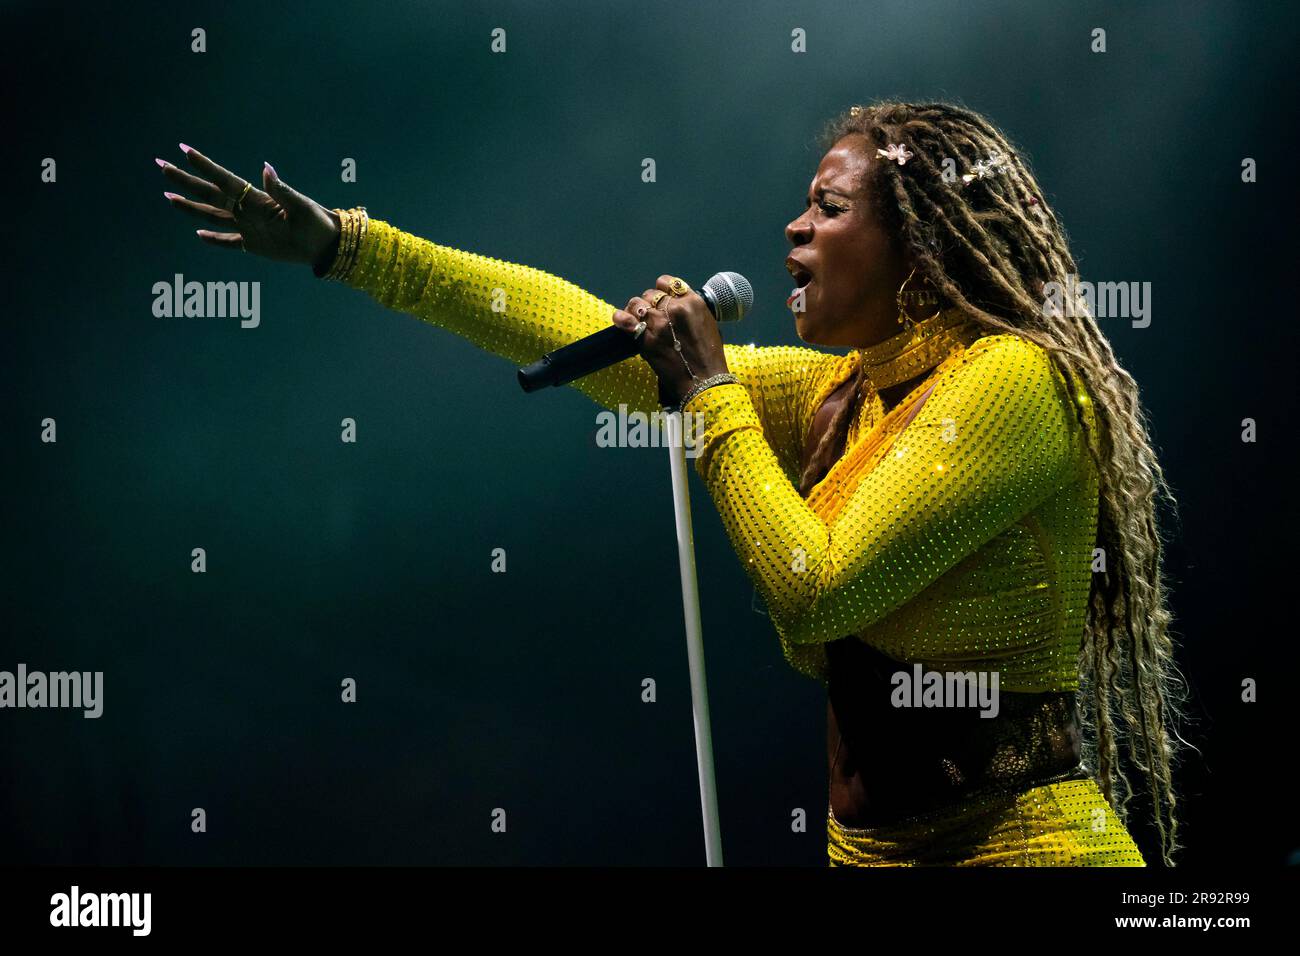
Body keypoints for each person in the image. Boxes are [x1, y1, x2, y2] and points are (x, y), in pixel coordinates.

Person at [158, 100, 1185, 866]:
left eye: (825, 207)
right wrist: (352, 246)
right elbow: (596, 347)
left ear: (918, 246)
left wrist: (706, 391)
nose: (791, 229)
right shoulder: (854, 391)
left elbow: (818, 584)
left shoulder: (1014, 381)